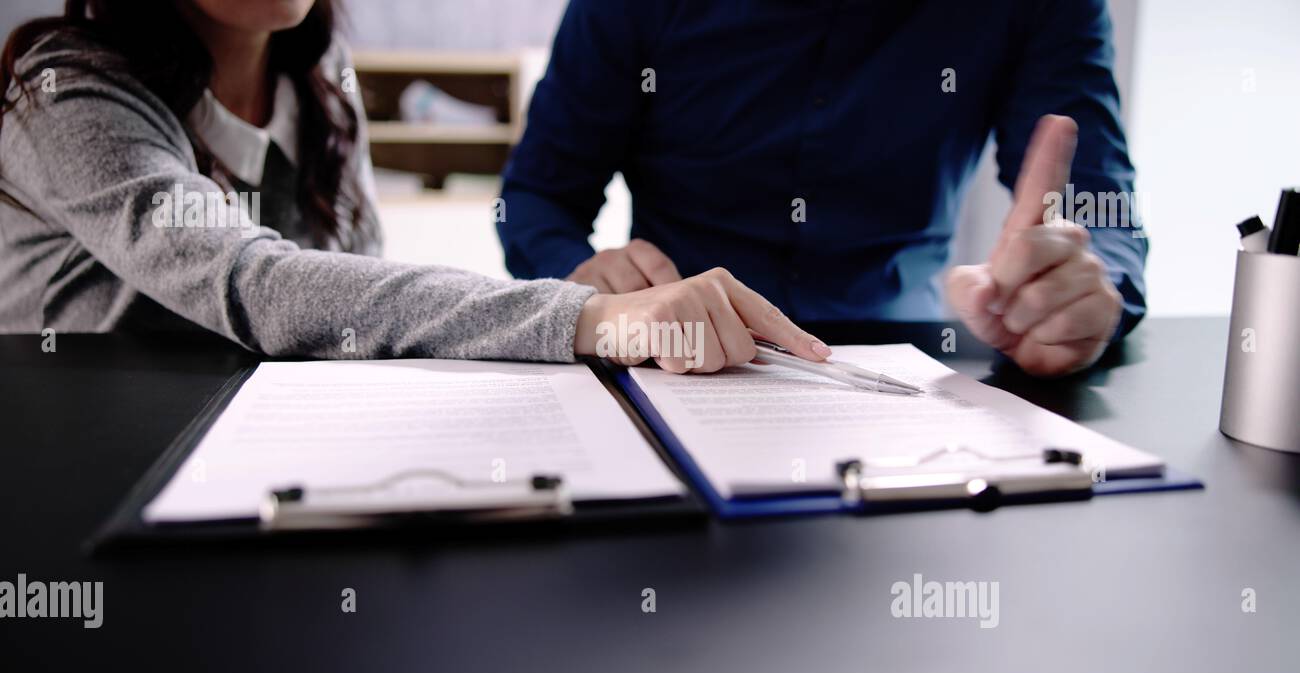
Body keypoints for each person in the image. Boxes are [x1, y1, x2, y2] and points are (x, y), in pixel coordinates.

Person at [0, 0, 827, 374]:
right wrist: (592, 318)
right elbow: (260, 285)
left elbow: (352, 307)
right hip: (91, 481)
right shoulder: (65, 96)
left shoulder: (318, 80)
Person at [498, 0, 1147, 376]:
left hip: (913, 372)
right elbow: (537, 194)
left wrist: (1087, 280)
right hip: (676, 361)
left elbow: (1097, 198)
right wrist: (582, 280)